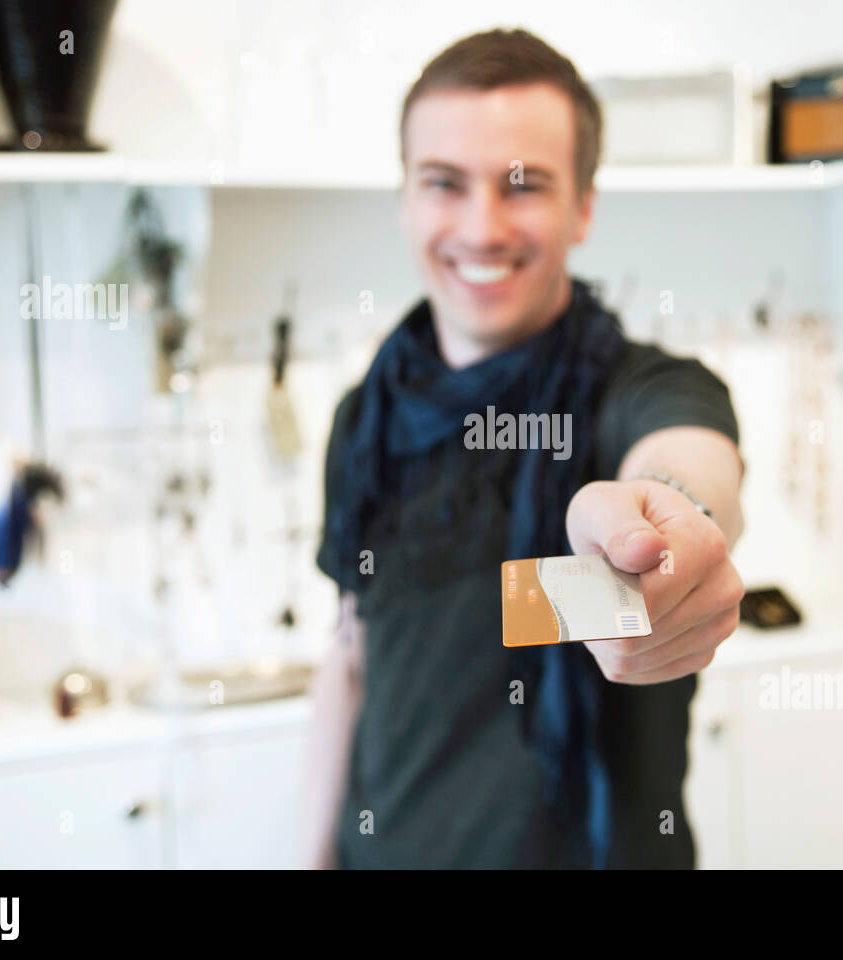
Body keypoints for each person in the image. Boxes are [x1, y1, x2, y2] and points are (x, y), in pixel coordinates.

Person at [301, 27, 746, 869]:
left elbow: (690, 466)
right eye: (444, 183)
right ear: (405, 198)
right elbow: (353, 654)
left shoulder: (636, 389)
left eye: (524, 186)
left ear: (583, 206)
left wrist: (667, 524)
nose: (482, 225)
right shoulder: (365, 419)